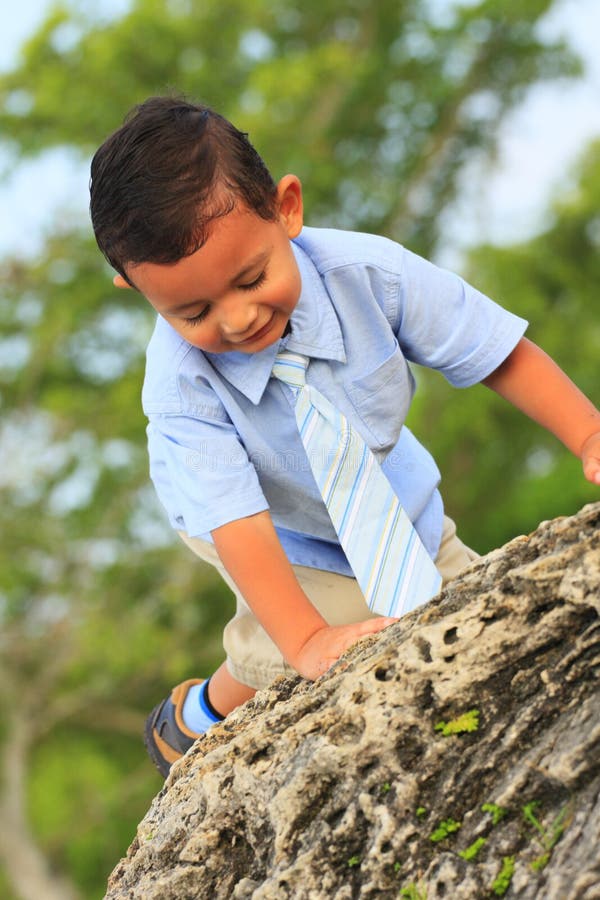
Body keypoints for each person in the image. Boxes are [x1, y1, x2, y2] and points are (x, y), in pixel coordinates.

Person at [90, 95, 600, 778]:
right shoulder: (182, 390)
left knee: (468, 613)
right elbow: (239, 523)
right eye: (194, 311)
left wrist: (589, 434)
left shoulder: (371, 274)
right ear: (136, 290)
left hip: (388, 492)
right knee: (318, 640)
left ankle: (231, 682)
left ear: (287, 209)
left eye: (251, 278)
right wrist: (306, 642)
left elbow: (495, 352)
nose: (238, 319)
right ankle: (200, 717)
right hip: (264, 524)